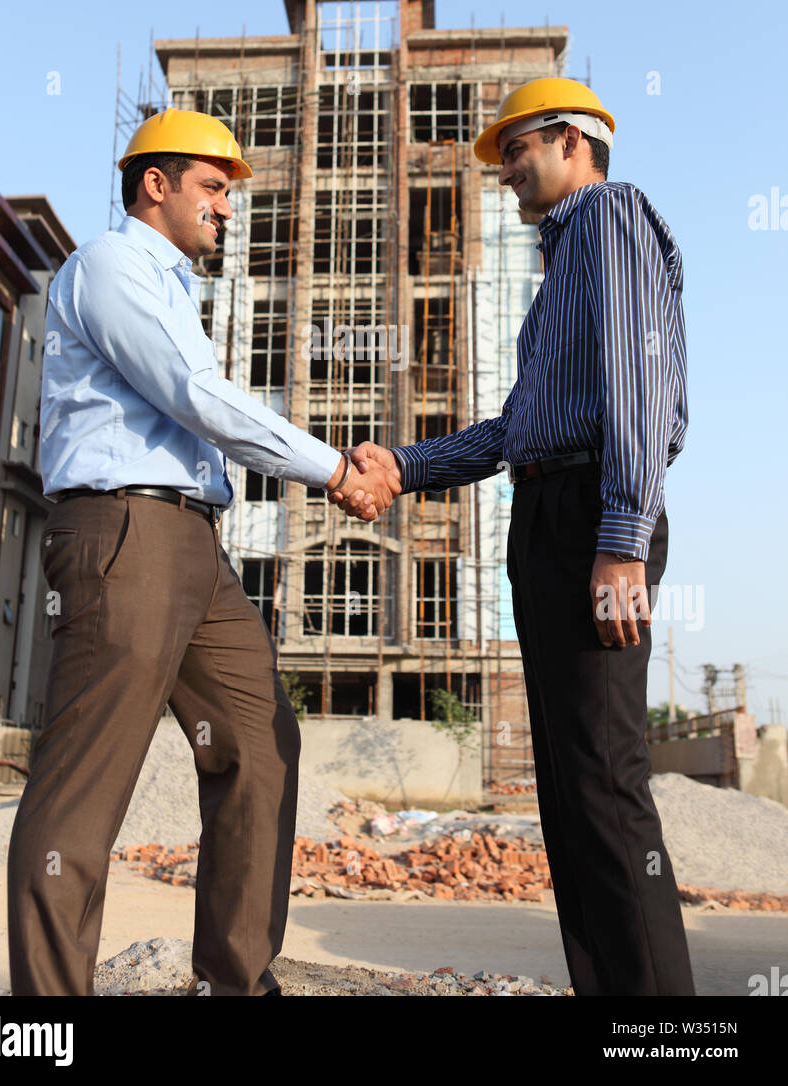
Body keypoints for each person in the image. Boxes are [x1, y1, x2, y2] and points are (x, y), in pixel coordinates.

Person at [7, 108, 399, 997]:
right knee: (84, 786)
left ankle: (236, 981)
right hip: (123, 534)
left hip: (196, 543)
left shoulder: (175, 287)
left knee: (260, 745)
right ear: (156, 184)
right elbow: (197, 396)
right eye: (213, 188)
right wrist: (337, 469)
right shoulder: (110, 266)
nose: (226, 208)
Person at [337, 78, 696, 997]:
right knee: (572, 796)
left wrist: (622, 534)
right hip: (546, 514)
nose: (504, 172)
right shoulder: (558, 272)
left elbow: (639, 387)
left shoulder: (611, 219)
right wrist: (405, 467)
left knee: (607, 788)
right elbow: (513, 430)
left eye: (516, 150)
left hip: (591, 517)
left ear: (573, 140)